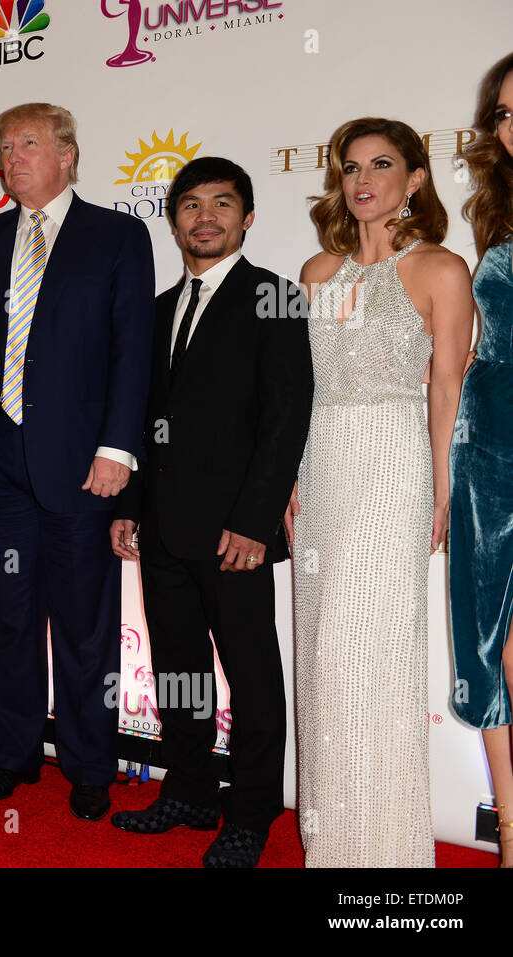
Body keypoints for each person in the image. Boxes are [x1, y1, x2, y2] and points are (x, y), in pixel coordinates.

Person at [0, 103, 155, 819]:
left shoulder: (117, 236)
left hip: (82, 465)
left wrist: (119, 448)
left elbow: (132, 351)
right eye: (3, 145)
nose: (10, 155)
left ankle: (90, 765)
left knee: (84, 621)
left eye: (27, 143)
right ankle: (15, 755)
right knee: (13, 611)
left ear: (68, 154)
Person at [110, 157, 313, 867]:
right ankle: (190, 788)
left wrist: (256, 523)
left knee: (252, 675)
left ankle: (252, 811)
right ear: (174, 219)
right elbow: (140, 419)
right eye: (191, 205)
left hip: (236, 533)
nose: (205, 217)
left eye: (221, 204)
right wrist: (130, 507)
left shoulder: (276, 298)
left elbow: (286, 422)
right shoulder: (159, 309)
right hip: (163, 526)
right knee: (180, 669)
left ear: (247, 217)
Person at [295, 117, 473, 867]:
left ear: (415, 180)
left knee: (367, 651)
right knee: (320, 658)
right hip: (325, 467)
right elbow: (309, 391)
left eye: (381, 164)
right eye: (350, 167)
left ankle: (385, 854)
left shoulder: (441, 269)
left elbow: (447, 388)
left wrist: (441, 488)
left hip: (396, 463)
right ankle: (332, 841)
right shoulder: (317, 272)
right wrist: (295, 477)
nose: (362, 180)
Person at [450, 52, 513, 868]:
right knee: (495, 650)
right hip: (490, 455)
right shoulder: (499, 216)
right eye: (502, 112)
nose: (511, 125)